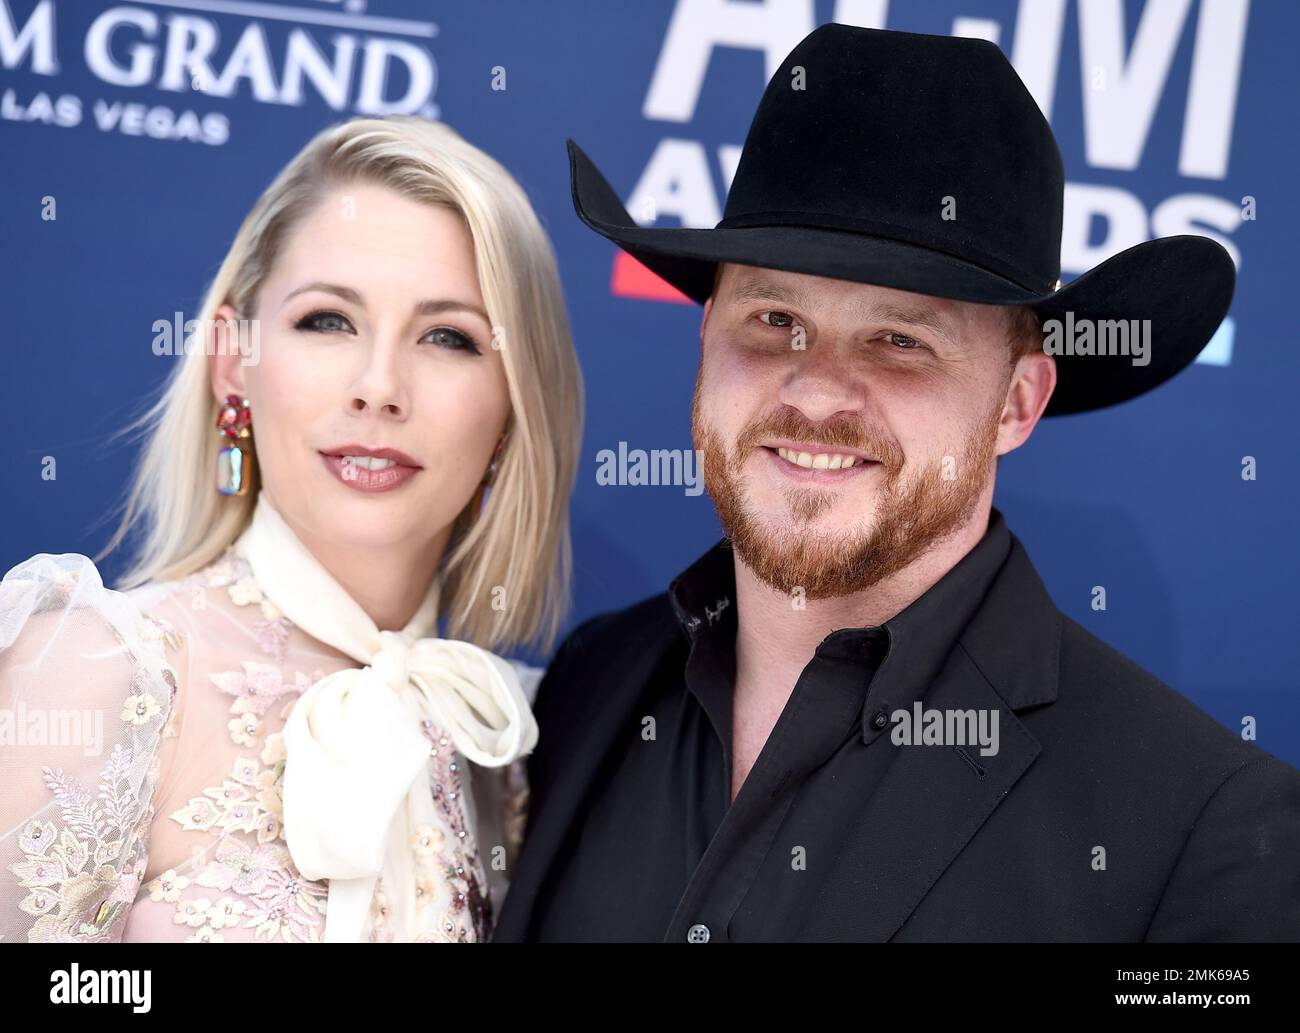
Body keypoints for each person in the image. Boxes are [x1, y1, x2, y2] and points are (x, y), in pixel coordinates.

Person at [492, 24, 1300, 942]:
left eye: (900, 339)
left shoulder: (1210, 838)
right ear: (707, 334)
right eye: (774, 316)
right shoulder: (589, 685)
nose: (819, 390)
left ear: (1017, 402)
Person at [0, 115, 583, 943]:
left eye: (447, 336)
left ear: (514, 408)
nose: (379, 387)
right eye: (328, 321)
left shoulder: (509, 738)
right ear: (234, 361)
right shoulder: (97, 673)